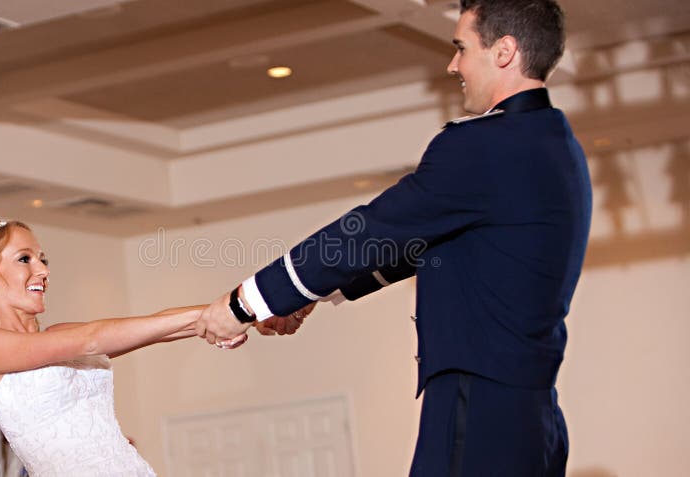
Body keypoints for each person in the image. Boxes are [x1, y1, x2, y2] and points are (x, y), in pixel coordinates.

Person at [195, 0, 591, 475]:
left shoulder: (482, 144)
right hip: (535, 415)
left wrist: (245, 304)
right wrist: (312, 296)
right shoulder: (559, 146)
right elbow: (433, 247)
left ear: (504, 51)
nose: (453, 65)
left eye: (461, 48)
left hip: (478, 407)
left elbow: (372, 231)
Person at [0, 218, 245, 476]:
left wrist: (245, 311)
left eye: (42, 259)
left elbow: (154, 326)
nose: (43, 270)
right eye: (25, 259)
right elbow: (92, 338)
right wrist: (231, 311)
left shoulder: (58, 336)